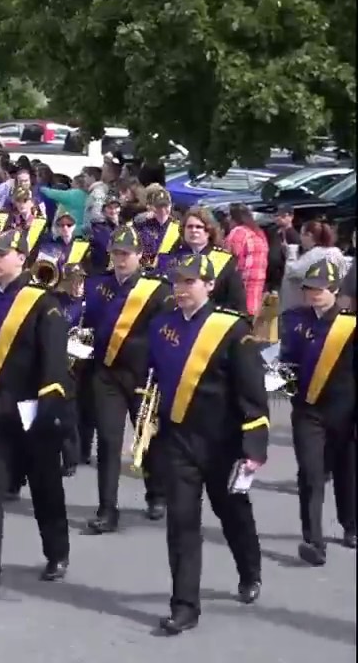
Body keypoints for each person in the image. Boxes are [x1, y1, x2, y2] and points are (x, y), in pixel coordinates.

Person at [146, 253, 268, 635]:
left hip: (222, 443)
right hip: (177, 440)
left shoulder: (232, 329)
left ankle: (249, 570)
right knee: (181, 523)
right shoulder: (161, 324)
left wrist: (254, 446)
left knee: (232, 513)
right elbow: (152, 375)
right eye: (177, 281)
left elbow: (252, 394)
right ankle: (184, 606)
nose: (181, 289)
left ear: (210, 285)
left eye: (190, 282)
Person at [0, 227, 72, 598]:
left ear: (21, 257)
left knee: (44, 484)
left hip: (30, 407)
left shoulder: (43, 303)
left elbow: (54, 364)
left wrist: (48, 409)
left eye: (2, 253)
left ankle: (57, 551)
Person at [83, 226, 174, 531]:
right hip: (106, 374)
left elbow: (167, 335)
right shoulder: (99, 285)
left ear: (139, 256)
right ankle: (107, 510)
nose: (121, 260)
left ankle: (156, 492)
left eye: (126, 254)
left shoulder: (157, 291)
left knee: (147, 438)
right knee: (108, 441)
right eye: (116, 253)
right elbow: (90, 324)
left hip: (142, 376)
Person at [277, 260, 356, 565]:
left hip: (345, 412)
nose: (314, 294)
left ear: (335, 290)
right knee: (310, 474)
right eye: (309, 288)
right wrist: (283, 382)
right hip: (308, 411)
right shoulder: (294, 320)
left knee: (347, 473)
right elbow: (285, 362)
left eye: (320, 288)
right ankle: (313, 541)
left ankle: (351, 525)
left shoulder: (350, 325)